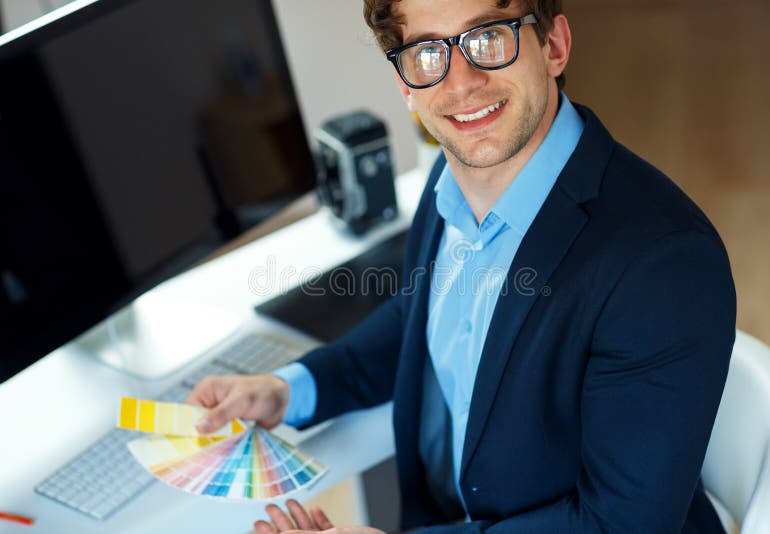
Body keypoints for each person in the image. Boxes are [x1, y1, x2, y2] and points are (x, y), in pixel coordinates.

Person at [187, 0, 737, 532]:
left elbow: (621, 526)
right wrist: (290, 390)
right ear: (405, 84)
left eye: (488, 38)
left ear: (554, 46)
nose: (460, 84)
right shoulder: (451, 178)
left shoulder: (664, 263)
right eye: (427, 53)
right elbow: (423, 319)